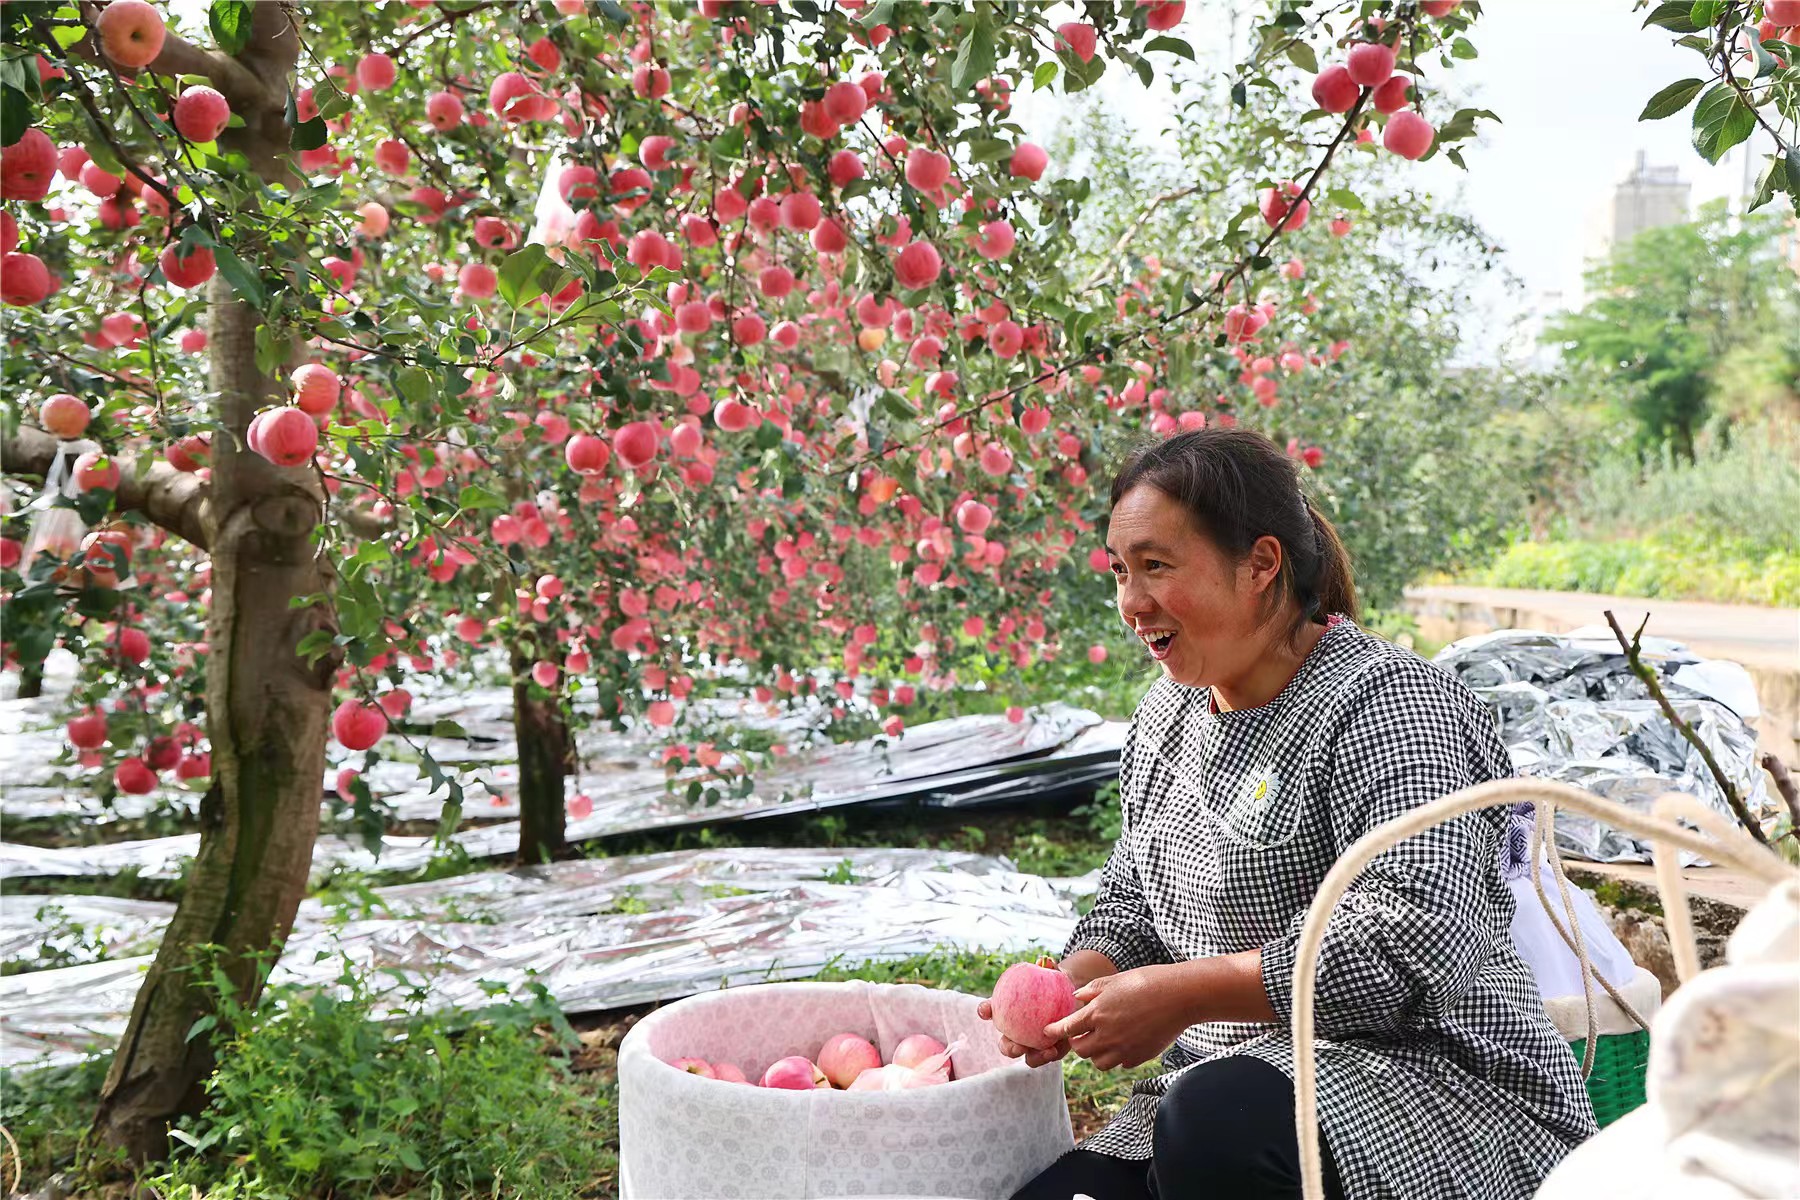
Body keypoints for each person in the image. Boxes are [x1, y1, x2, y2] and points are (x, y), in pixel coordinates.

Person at [979, 429, 1597, 1200]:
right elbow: (1135, 902)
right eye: (1119, 572)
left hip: (1427, 1084)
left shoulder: (1387, 705)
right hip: (1223, 1093)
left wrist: (1185, 993)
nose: (1132, 603)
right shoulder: (1167, 714)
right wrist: (1073, 988)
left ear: (1261, 564)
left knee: (1215, 1126)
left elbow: (1417, 937)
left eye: (1157, 567)